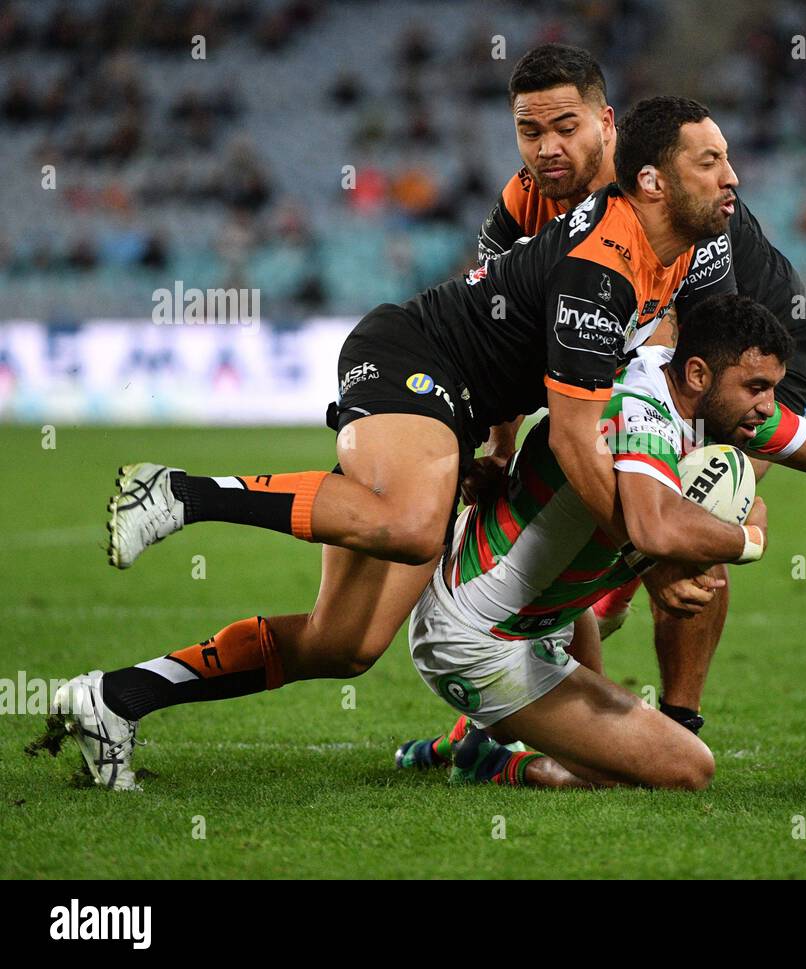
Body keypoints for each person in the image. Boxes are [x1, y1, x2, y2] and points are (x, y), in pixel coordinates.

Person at [49, 96, 745, 791]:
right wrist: (653, 558)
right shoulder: (605, 260)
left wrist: (498, 453)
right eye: (710, 162)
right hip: (413, 358)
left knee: (342, 642)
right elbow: (570, 433)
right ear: (651, 176)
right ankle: (181, 494)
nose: (731, 177)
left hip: (454, 412)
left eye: (564, 128)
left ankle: (116, 698)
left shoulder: (663, 252)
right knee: (412, 527)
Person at [394, 295, 806, 789]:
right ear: (702, 372)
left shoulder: (699, 397)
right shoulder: (641, 405)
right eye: (758, 387)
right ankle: (496, 758)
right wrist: (752, 536)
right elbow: (654, 526)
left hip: (538, 617)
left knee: (607, 701)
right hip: (478, 636)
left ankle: (472, 733)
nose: (768, 406)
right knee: (683, 767)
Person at [476, 42, 806, 735]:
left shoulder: (659, 187)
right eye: (531, 131)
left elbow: (699, 342)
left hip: (745, 353)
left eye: (566, 128)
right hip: (653, 356)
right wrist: (499, 444)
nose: (547, 148)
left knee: (700, 510)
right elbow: (498, 328)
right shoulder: (524, 199)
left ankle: (678, 720)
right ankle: (594, 725)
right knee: (589, 519)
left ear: (606, 125)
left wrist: (656, 510)